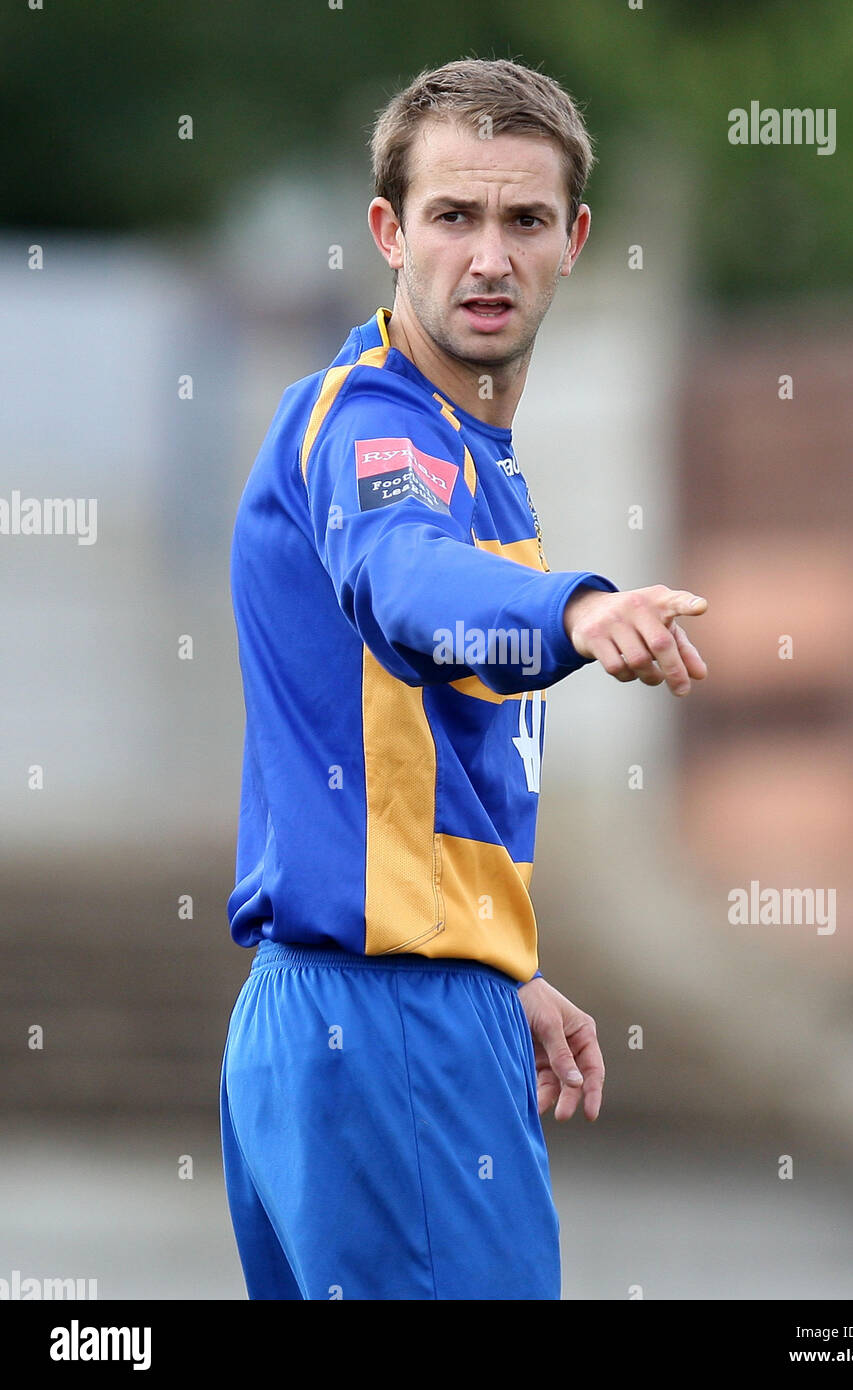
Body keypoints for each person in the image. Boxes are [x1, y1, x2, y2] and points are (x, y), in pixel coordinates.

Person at [219, 55, 708, 1302]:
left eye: (523, 220)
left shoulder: (467, 451)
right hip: (384, 1028)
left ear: (573, 242)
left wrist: (498, 967)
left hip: (368, 1017)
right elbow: (410, 585)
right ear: (388, 232)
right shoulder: (374, 428)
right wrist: (575, 608)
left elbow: (415, 764)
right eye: (452, 215)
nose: (488, 257)